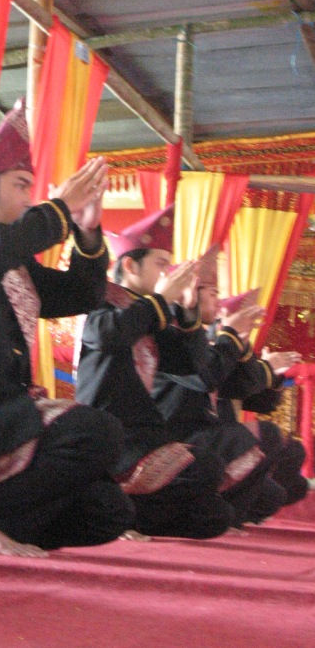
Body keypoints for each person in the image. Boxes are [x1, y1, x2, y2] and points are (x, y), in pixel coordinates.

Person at [0, 101, 134, 557]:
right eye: (20, 186)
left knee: (107, 510)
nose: (28, 198)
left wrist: (88, 234)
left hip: (9, 414)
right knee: (98, 431)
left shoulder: (14, 260)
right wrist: (58, 210)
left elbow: (82, 295)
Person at [75, 206, 234, 539]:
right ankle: (114, 512)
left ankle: (125, 514)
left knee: (214, 516)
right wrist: (160, 300)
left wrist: (189, 315)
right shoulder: (101, 301)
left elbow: (197, 371)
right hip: (105, 428)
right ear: (130, 265)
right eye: (160, 264)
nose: (166, 274)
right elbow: (109, 334)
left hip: (143, 432)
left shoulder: (151, 313)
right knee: (206, 468)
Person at [151, 247, 288, 527]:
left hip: (203, 431)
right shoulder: (171, 333)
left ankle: (220, 510)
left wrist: (243, 343)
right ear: (190, 292)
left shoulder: (205, 339)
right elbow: (206, 377)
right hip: (173, 432)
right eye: (211, 292)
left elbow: (245, 387)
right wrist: (231, 335)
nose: (217, 299)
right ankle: (221, 514)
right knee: (259, 437)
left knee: (273, 495)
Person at [210, 290, 307, 518]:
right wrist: (265, 369)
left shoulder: (241, 350)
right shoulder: (213, 346)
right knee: (269, 436)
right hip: (210, 435)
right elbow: (234, 385)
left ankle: (236, 506)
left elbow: (262, 403)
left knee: (293, 464)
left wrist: (274, 376)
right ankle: (231, 511)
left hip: (230, 436)